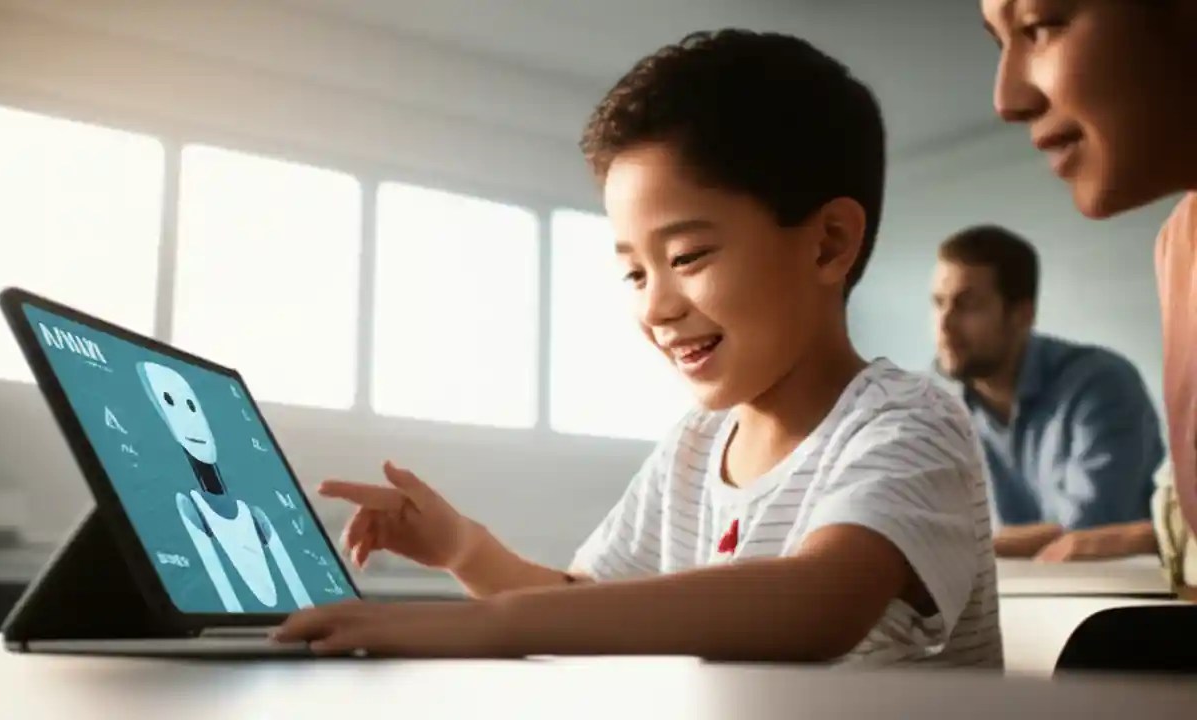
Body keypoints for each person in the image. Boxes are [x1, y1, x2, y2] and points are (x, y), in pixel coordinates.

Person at [274, 29, 1002, 666]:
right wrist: (465, 549)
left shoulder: (909, 423)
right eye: (633, 271)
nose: (654, 306)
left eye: (686, 257)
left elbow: (817, 604)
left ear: (829, 242)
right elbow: (585, 606)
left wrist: (482, 627)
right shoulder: (693, 447)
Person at [981, 0, 1197, 598]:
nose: (1006, 97)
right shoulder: (1180, 244)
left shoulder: (1096, 383)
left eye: (1038, 26)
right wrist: (1151, 534)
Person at [931, 224, 1164, 561]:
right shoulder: (938, 404)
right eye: (938, 303)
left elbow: (1092, 527)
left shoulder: (1101, 383)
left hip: (1111, 591)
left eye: (968, 305)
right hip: (1007, 587)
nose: (945, 324)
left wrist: (952, 550)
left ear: (1021, 315)